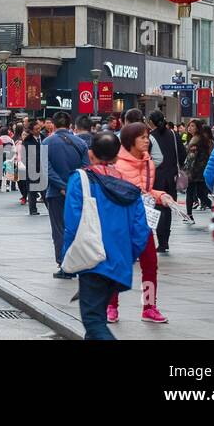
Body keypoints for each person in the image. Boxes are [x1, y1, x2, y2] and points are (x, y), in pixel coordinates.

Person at [60, 131, 151, 340]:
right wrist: (126, 256)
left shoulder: (80, 180)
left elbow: (72, 223)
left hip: (92, 259)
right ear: (117, 156)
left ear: (91, 154)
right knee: (96, 320)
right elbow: (140, 231)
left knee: (93, 321)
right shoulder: (130, 189)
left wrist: (67, 258)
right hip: (118, 262)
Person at [107, 122, 172, 324]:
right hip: (121, 222)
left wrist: (162, 196)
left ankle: (149, 307)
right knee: (117, 265)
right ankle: (111, 306)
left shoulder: (148, 163)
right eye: (143, 137)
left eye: (147, 136)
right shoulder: (116, 164)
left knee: (151, 265)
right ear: (130, 140)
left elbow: (147, 191)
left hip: (142, 223)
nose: (147, 140)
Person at [43, 111, 90, 279]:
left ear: (53, 125)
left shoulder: (46, 142)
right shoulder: (81, 143)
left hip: (55, 192)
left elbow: (45, 169)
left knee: (59, 229)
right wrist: (72, 186)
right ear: (70, 125)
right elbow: (86, 168)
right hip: (77, 192)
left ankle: (64, 263)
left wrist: (61, 186)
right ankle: (78, 261)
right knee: (76, 227)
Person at [148, 110, 181, 252]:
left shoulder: (149, 137)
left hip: (157, 178)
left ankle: (162, 242)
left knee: (159, 209)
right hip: (172, 177)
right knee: (167, 209)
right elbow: (182, 154)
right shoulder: (174, 135)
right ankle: (165, 240)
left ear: (151, 122)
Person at [182, 118, 214, 224]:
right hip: (197, 170)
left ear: (197, 128)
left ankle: (190, 216)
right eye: (189, 126)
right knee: (198, 194)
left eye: (192, 126)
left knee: (196, 193)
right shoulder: (197, 138)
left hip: (196, 170)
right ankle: (190, 215)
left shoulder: (197, 139)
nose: (190, 128)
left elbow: (192, 157)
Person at [18, 119, 43, 215]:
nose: (38, 131)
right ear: (31, 131)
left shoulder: (44, 138)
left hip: (43, 168)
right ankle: (33, 210)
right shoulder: (27, 141)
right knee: (32, 190)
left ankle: (50, 208)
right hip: (32, 169)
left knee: (45, 191)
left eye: (39, 128)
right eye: (36, 129)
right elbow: (24, 156)